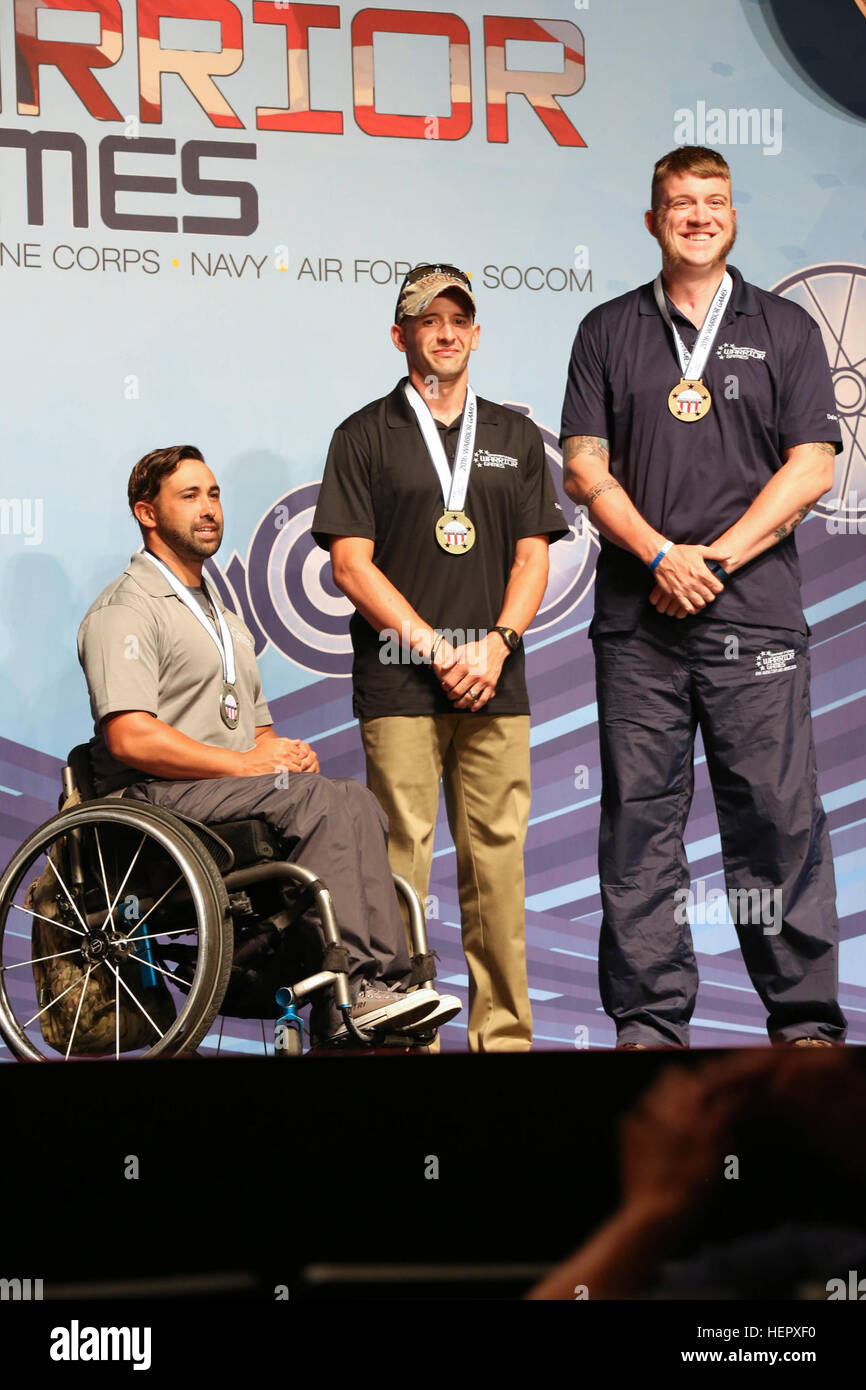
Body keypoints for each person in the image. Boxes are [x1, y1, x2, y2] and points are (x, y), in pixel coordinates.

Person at [560, 146, 847, 1050]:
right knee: (639, 827)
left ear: (734, 216)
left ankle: (804, 1029)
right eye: (679, 203)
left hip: (753, 615)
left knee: (776, 820)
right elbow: (582, 467)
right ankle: (647, 1030)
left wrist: (711, 561)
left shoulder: (787, 330)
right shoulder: (607, 329)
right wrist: (657, 558)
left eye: (713, 201)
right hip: (639, 628)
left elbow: (812, 466)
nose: (698, 215)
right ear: (652, 221)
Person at [77, 444, 460, 1046]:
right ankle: (359, 987)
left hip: (224, 794)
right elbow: (129, 735)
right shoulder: (124, 610)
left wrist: (282, 755)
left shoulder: (225, 620)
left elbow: (255, 734)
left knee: (348, 798)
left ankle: (379, 991)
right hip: (156, 803)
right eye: (189, 497)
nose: (208, 509)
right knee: (321, 804)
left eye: (214, 494)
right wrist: (247, 764)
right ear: (147, 514)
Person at [312, 263, 568, 1051]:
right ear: (402, 336)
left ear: (477, 334)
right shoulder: (362, 434)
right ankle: (403, 1042)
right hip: (400, 684)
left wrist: (494, 645)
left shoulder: (515, 435)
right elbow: (351, 565)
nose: (447, 332)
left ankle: (505, 1040)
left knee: (499, 870)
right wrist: (436, 650)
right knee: (400, 868)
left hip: (498, 680)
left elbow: (532, 557)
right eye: (429, 321)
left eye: (459, 319)